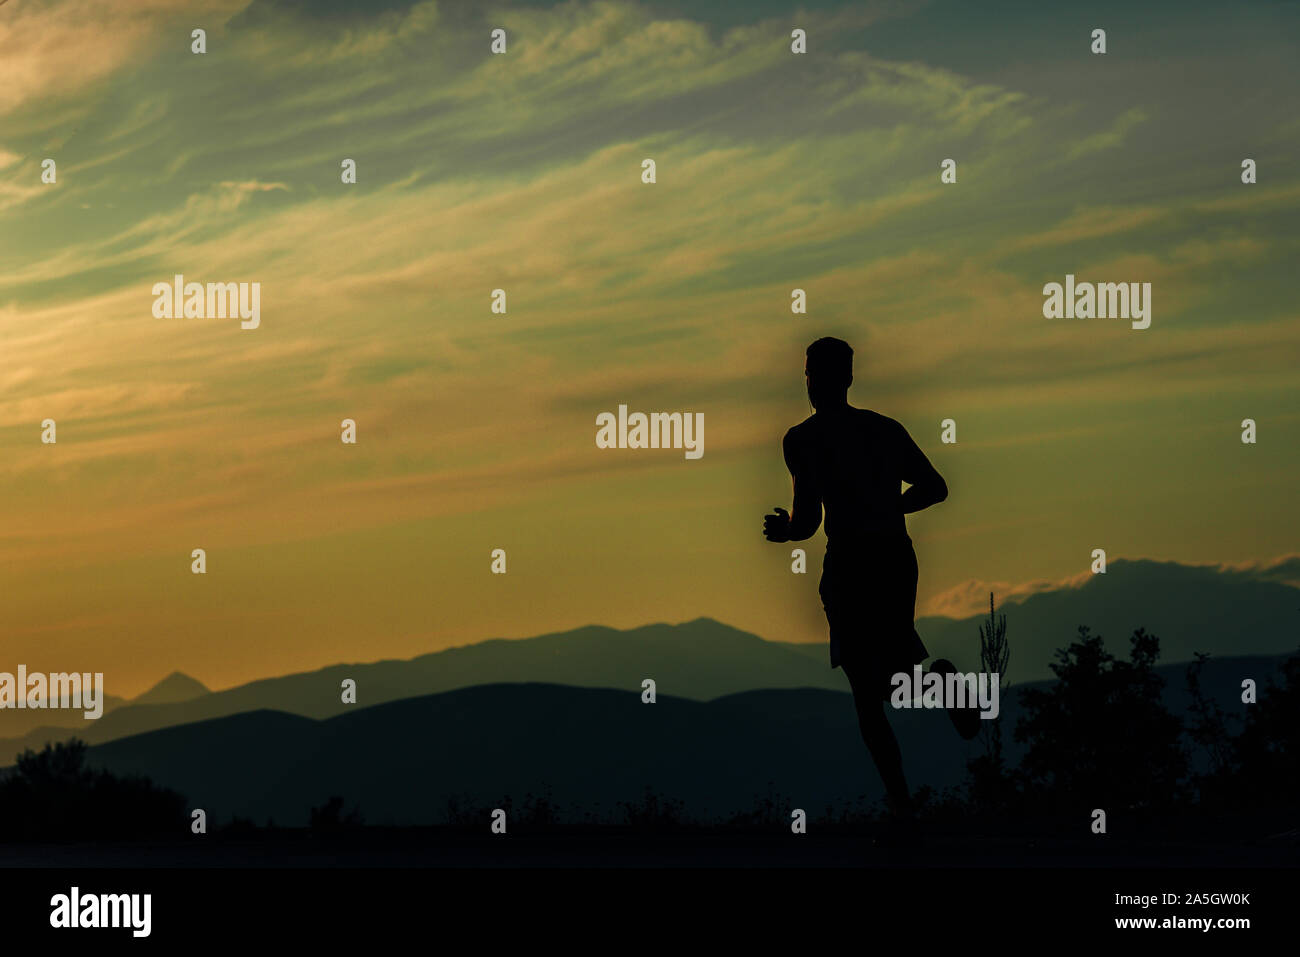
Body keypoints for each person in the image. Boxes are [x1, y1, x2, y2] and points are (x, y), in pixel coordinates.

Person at [762, 337, 958, 826]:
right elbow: (934, 488)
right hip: (894, 558)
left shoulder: (802, 440)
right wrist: (889, 508)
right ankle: (941, 688)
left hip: (851, 563)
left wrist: (787, 531)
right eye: (808, 372)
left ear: (841, 378)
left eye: (815, 372)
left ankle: (903, 808)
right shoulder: (882, 430)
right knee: (888, 683)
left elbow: (808, 522)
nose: (811, 382)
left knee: (869, 697)